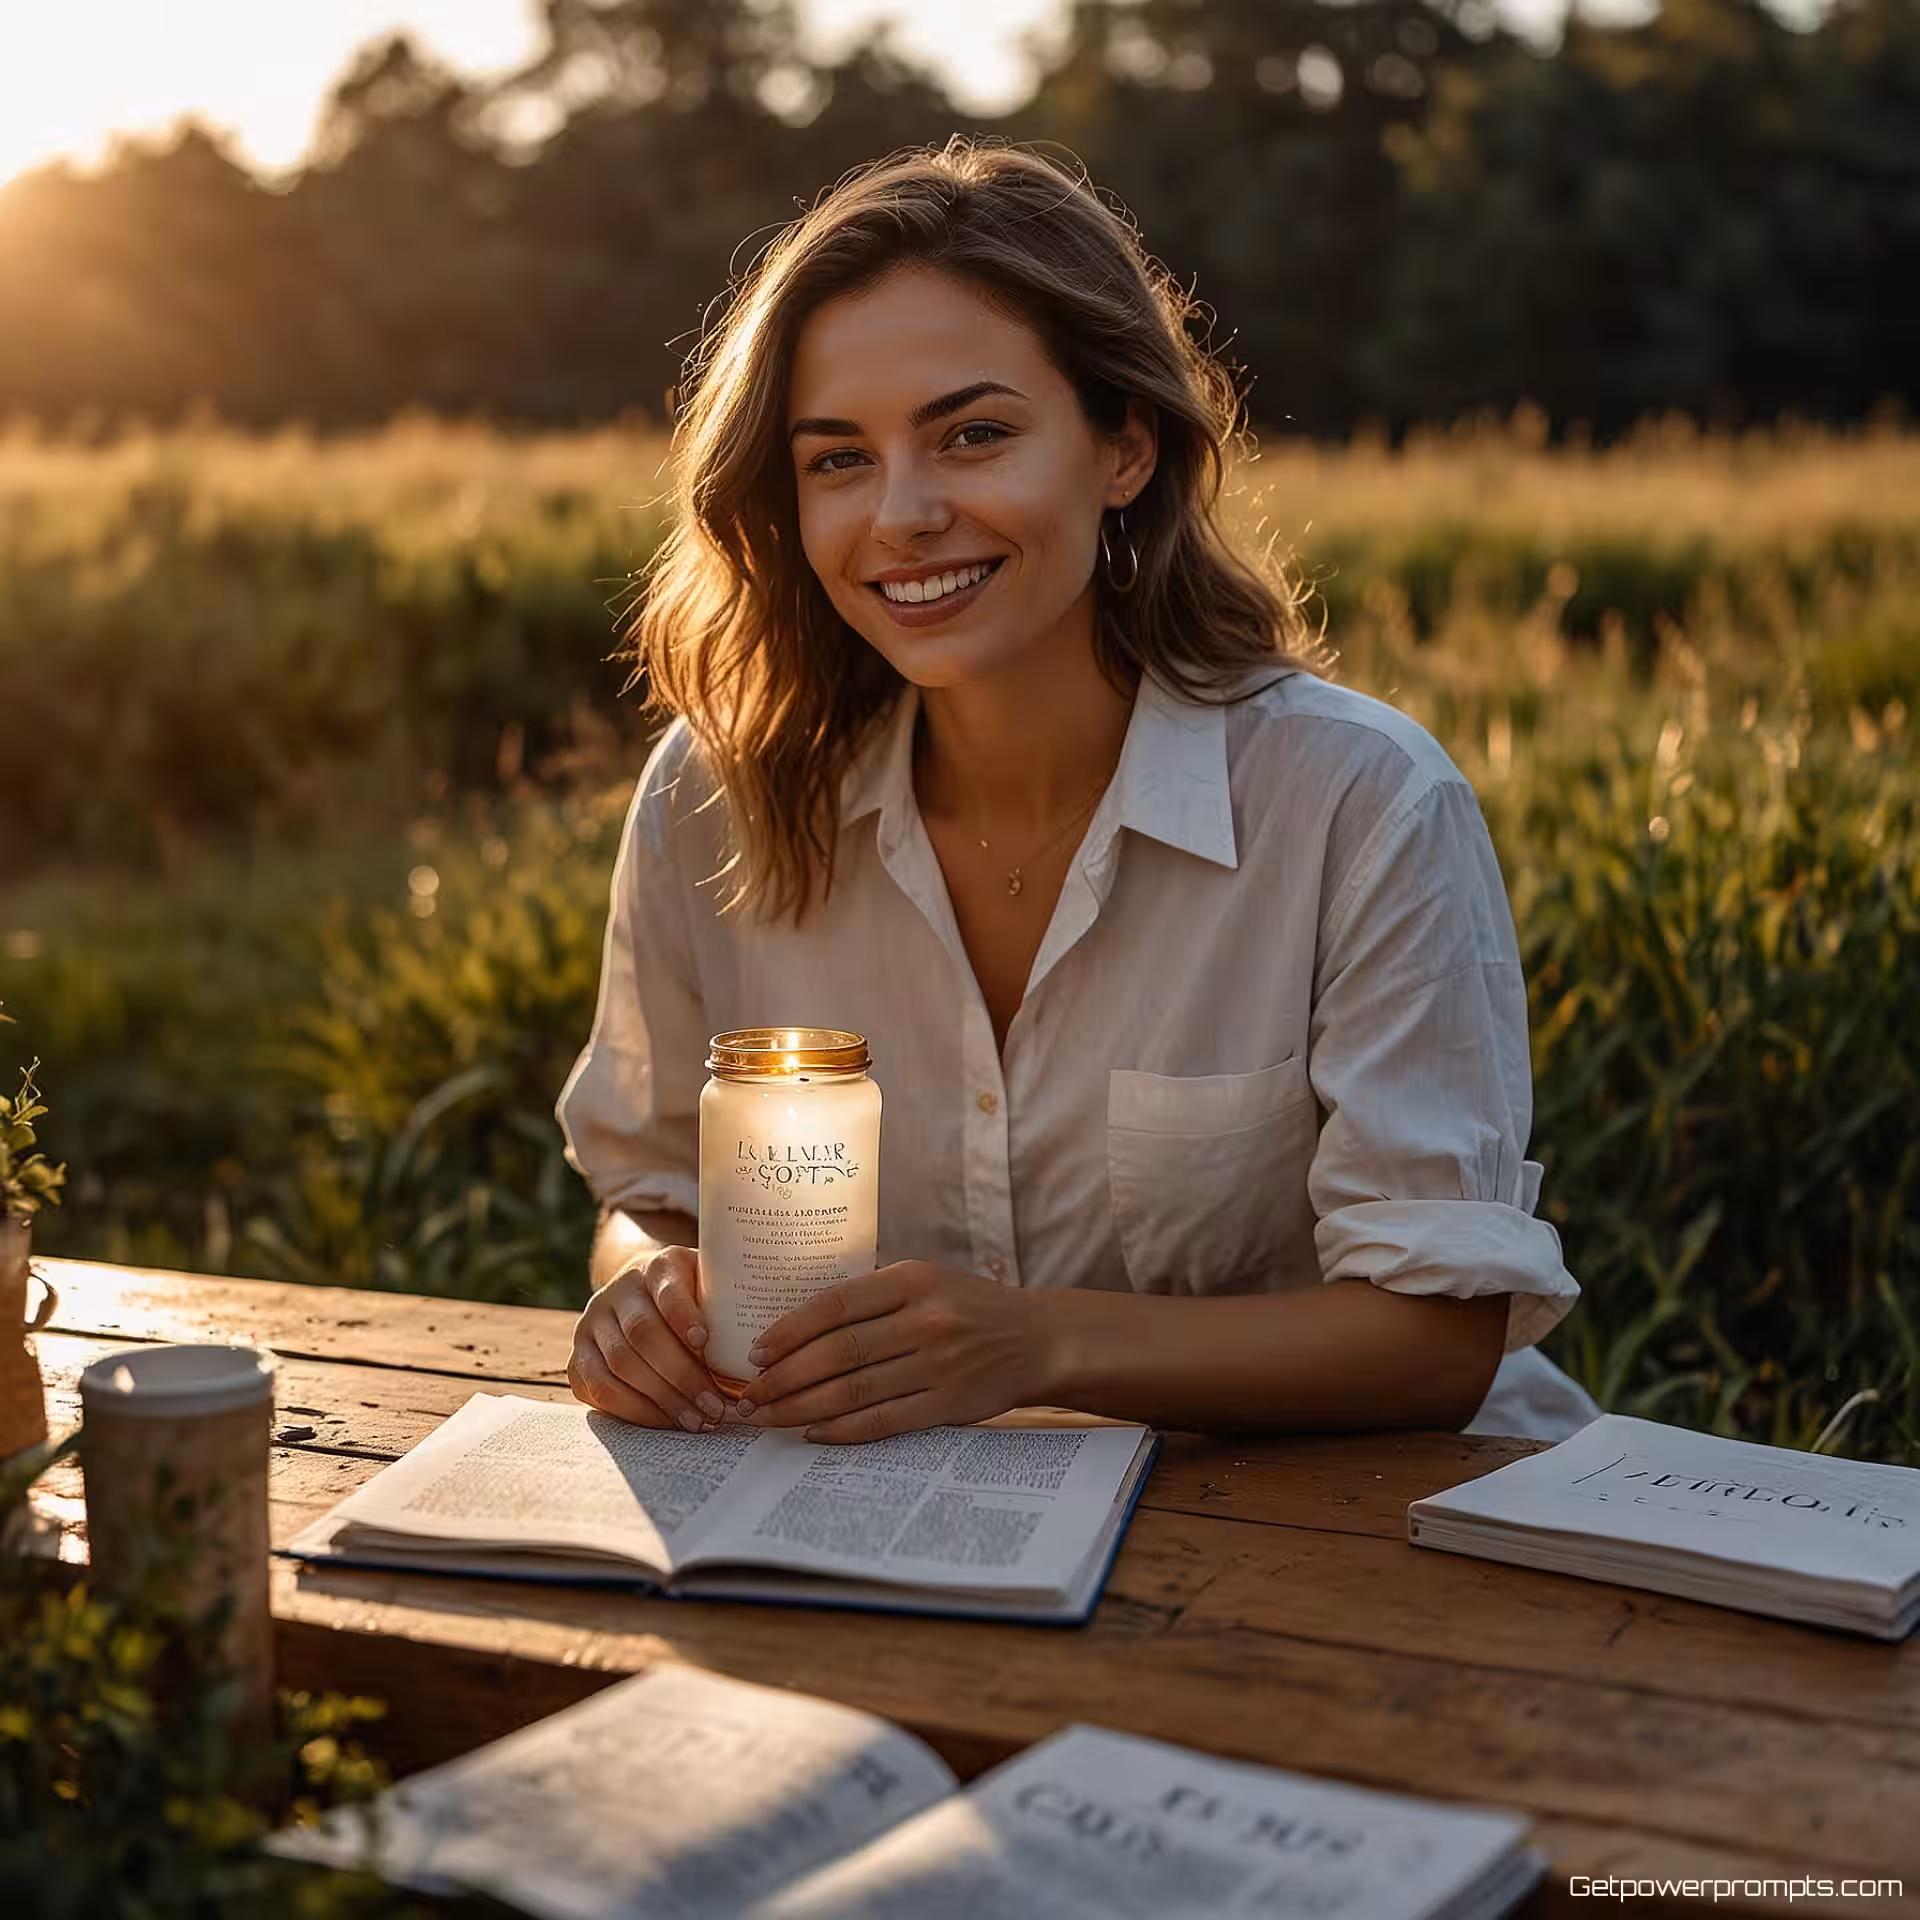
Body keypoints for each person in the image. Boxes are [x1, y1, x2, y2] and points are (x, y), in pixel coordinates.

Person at [556, 139, 1603, 1447]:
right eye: (837, 459)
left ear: (1124, 447)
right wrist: (642, 1290)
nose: (904, 514)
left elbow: (1437, 1338)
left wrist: (1039, 1339)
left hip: (1340, 1548)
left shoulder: (1359, 801)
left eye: (974, 435)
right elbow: (651, 1191)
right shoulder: (711, 796)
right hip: (893, 1523)